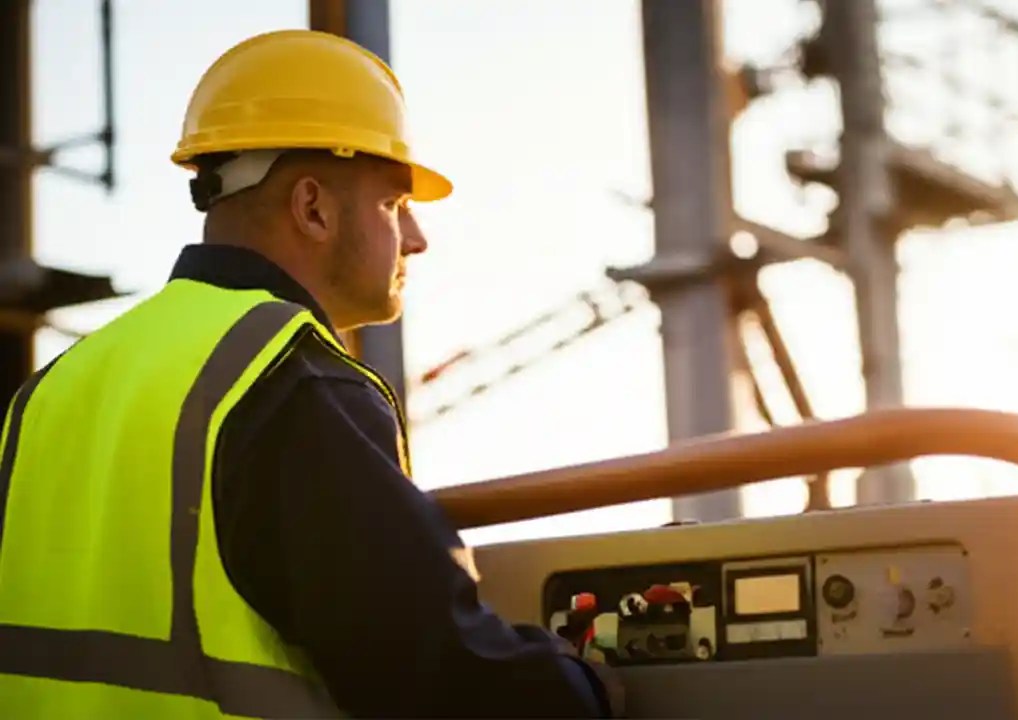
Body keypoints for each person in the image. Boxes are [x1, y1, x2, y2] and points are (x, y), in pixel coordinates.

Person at [0, 29, 621, 718]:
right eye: (394, 205)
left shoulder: (51, 389)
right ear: (313, 208)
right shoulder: (289, 381)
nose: (417, 239)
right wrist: (588, 689)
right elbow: (443, 675)